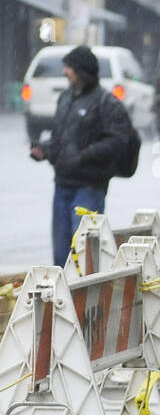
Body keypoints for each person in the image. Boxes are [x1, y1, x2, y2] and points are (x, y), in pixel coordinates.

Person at [29, 45, 133, 265]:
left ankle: (85, 297)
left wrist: (85, 156)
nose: (65, 72)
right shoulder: (66, 98)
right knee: (61, 253)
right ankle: (62, 297)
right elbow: (60, 139)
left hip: (89, 187)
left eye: (69, 68)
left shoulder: (106, 102)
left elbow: (118, 141)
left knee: (85, 254)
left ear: (82, 71)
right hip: (62, 184)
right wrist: (44, 150)